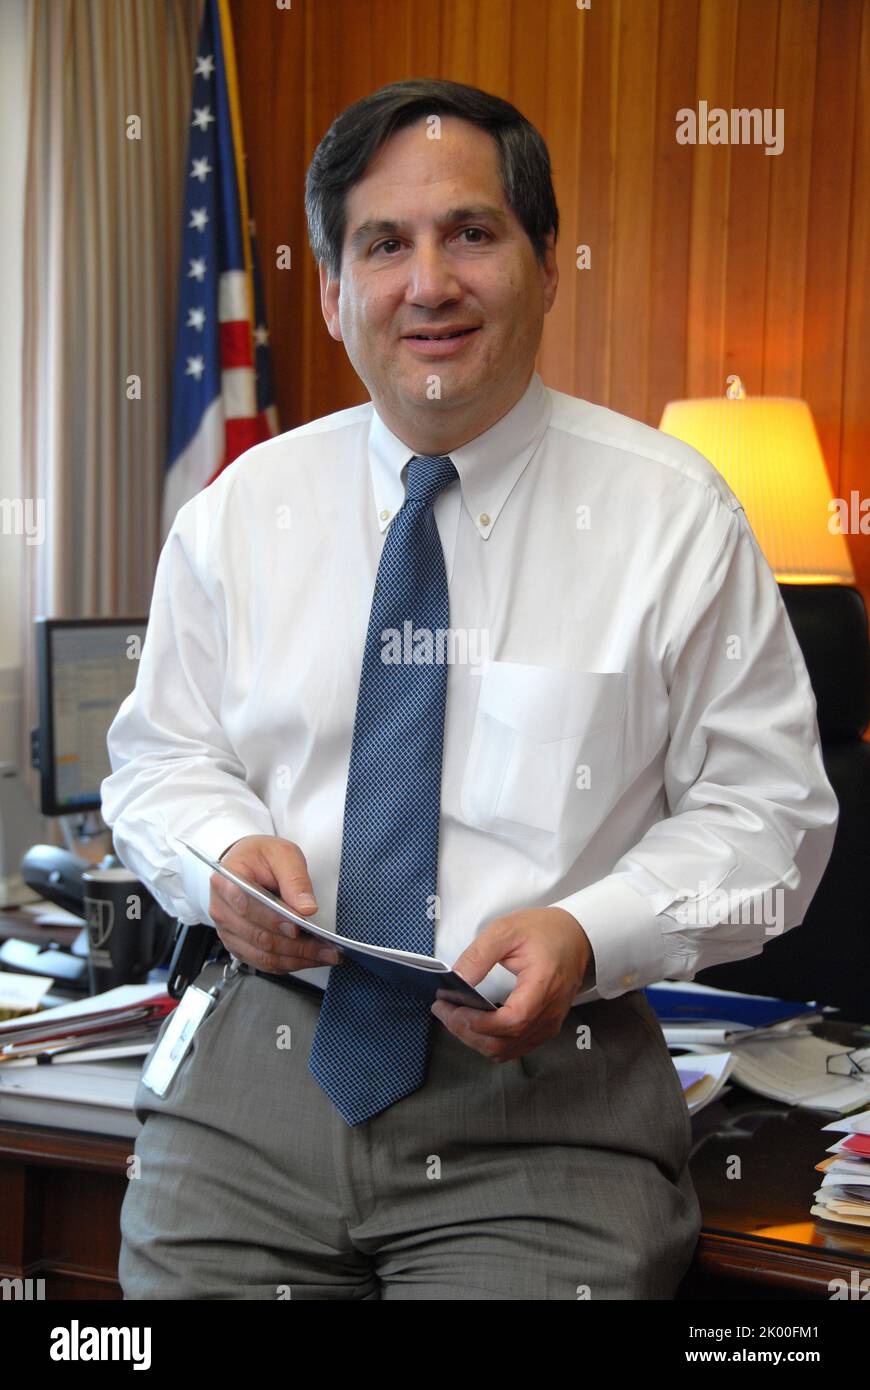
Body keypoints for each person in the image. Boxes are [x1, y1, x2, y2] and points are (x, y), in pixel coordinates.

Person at [102, 78, 839, 1301]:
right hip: (256, 1074)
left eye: (472, 234)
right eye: (384, 244)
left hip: (550, 1107)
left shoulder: (672, 516)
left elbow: (771, 821)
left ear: (547, 263)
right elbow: (160, 759)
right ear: (334, 288)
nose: (428, 283)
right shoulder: (240, 512)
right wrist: (219, 850)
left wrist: (589, 930)